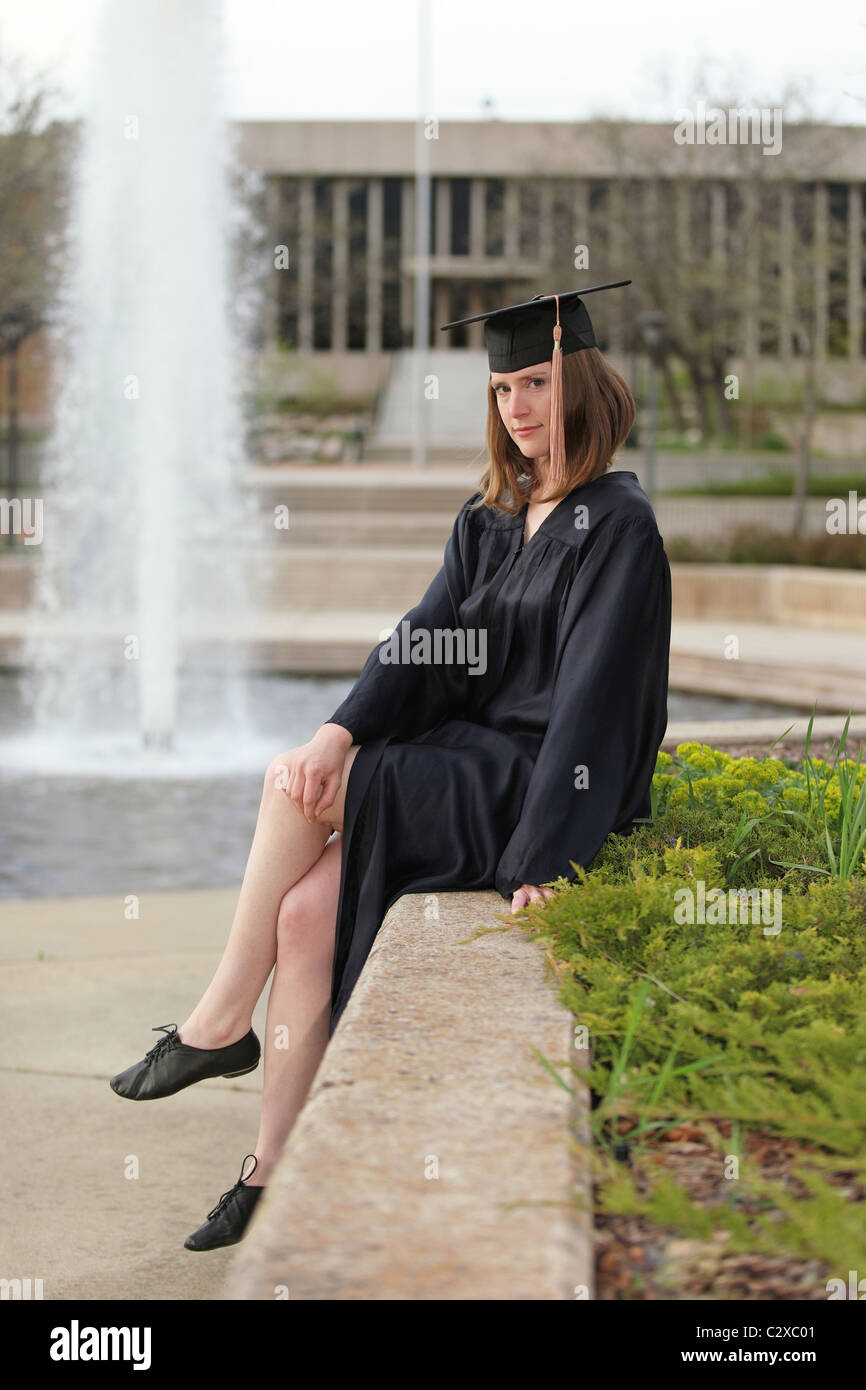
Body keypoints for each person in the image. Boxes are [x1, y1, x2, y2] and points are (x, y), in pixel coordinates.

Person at [108, 279, 672, 1251]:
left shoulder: (616, 526)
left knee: (306, 788)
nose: (519, 407)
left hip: (535, 786)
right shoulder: (491, 517)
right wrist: (338, 728)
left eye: (535, 383)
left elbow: (592, 712)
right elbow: (424, 640)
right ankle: (271, 1162)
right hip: (470, 766)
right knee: (299, 876)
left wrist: (544, 855)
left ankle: (217, 1018)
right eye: (503, 391)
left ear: (578, 385)